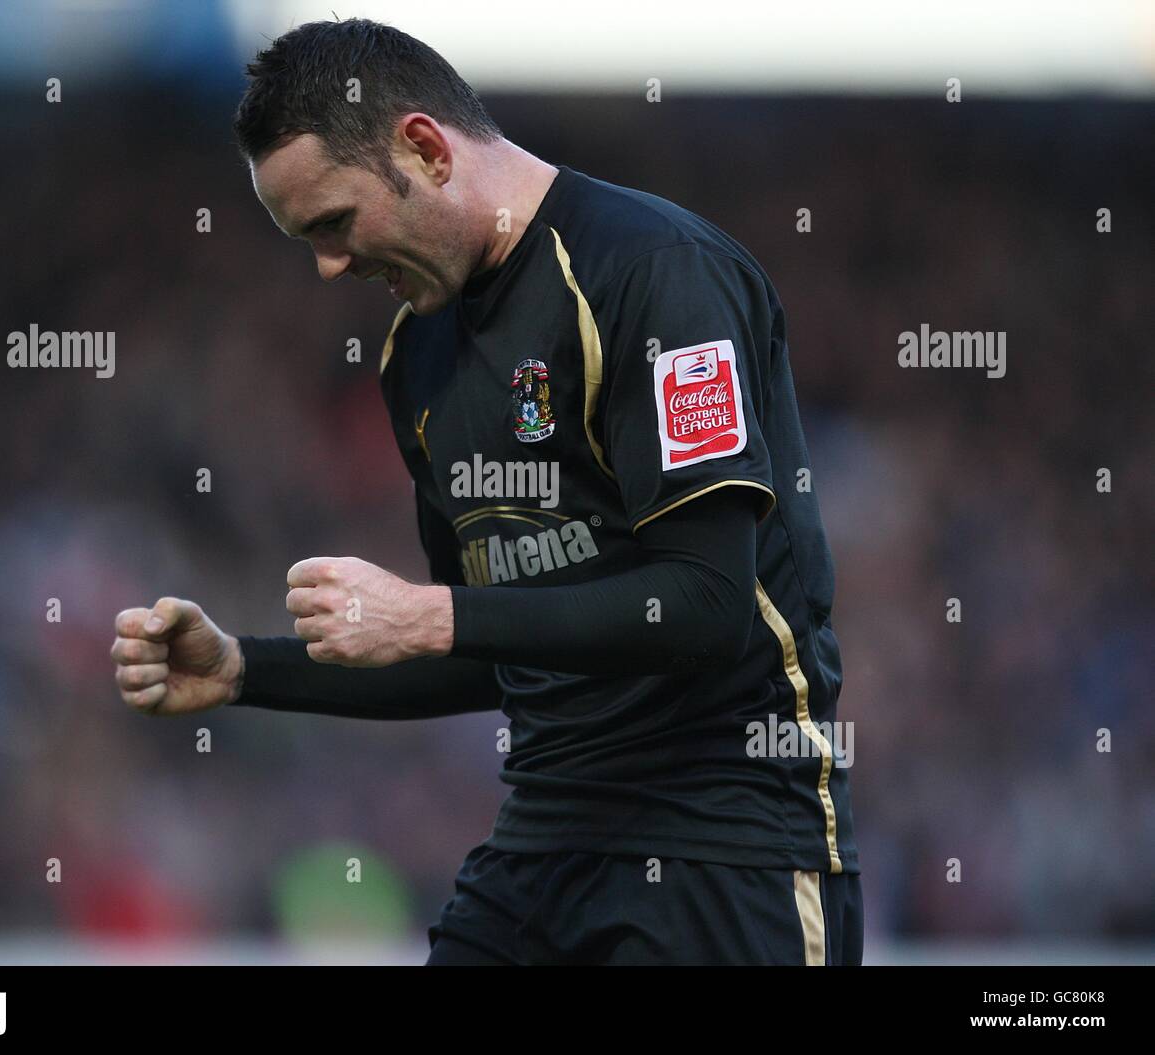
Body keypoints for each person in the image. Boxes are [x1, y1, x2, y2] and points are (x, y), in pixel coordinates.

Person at [111, 17, 861, 965]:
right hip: (543, 848)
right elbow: (490, 646)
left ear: (423, 149)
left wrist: (431, 616)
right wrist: (244, 670)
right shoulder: (416, 354)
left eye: (335, 224)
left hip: (724, 848)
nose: (329, 266)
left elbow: (708, 604)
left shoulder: (654, 276)